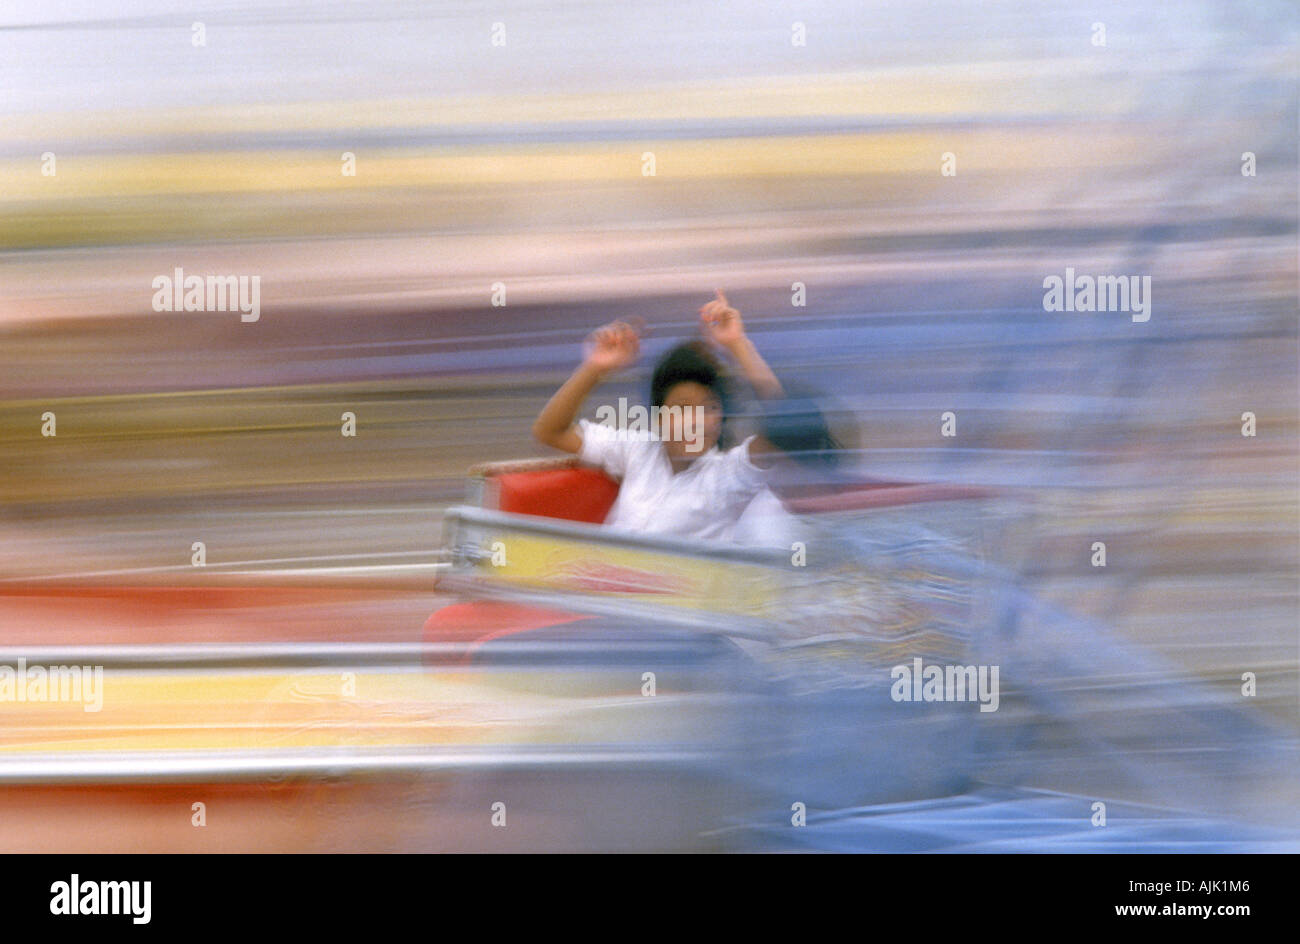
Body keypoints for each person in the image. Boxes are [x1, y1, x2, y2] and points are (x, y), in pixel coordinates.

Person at [532, 290, 786, 542]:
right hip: (604, 574)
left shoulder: (728, 476)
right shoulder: (637, 450)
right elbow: (551, 431)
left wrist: (737, 345)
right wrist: (595, 368)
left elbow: (786, 425)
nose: (696, 421)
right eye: (683, 408)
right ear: (660, 416)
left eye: (710, 408)